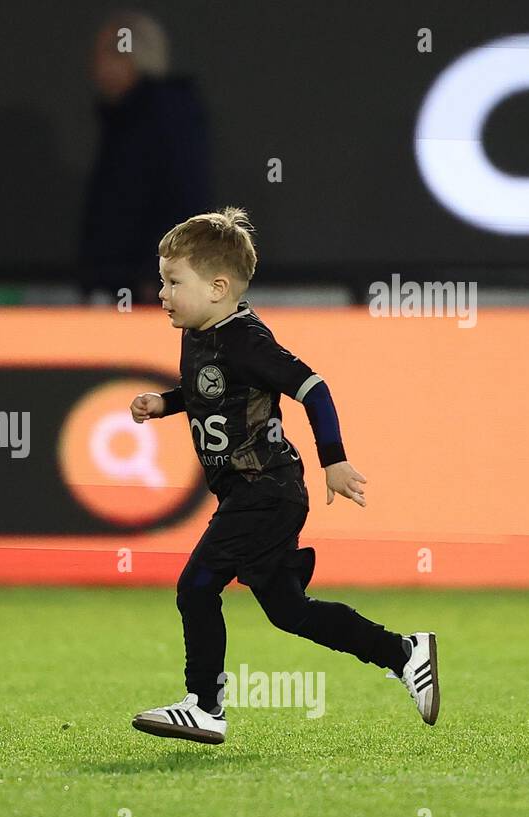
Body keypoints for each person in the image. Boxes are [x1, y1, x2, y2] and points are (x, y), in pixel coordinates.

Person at [128, 208, 438, 744]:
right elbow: (217, 392)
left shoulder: (246, 339)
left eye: (173, 281)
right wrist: (167, 403)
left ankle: (204, 705)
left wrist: (334, 459)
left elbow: (312, 387)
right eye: (163, 280)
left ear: (219, 287)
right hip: (253, 494)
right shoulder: (204, 332)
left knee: (196, 587)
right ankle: (403, 652)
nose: (162, 292)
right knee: (290, 612)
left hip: (265, 491)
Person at [80, 11, 210, 304]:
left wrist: (156, 277)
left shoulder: (160, 119)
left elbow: (182, 198)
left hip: (144, 293)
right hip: (127, 286)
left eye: (102, 54)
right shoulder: (131, 119)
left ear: (128, 58)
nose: (94, 66)